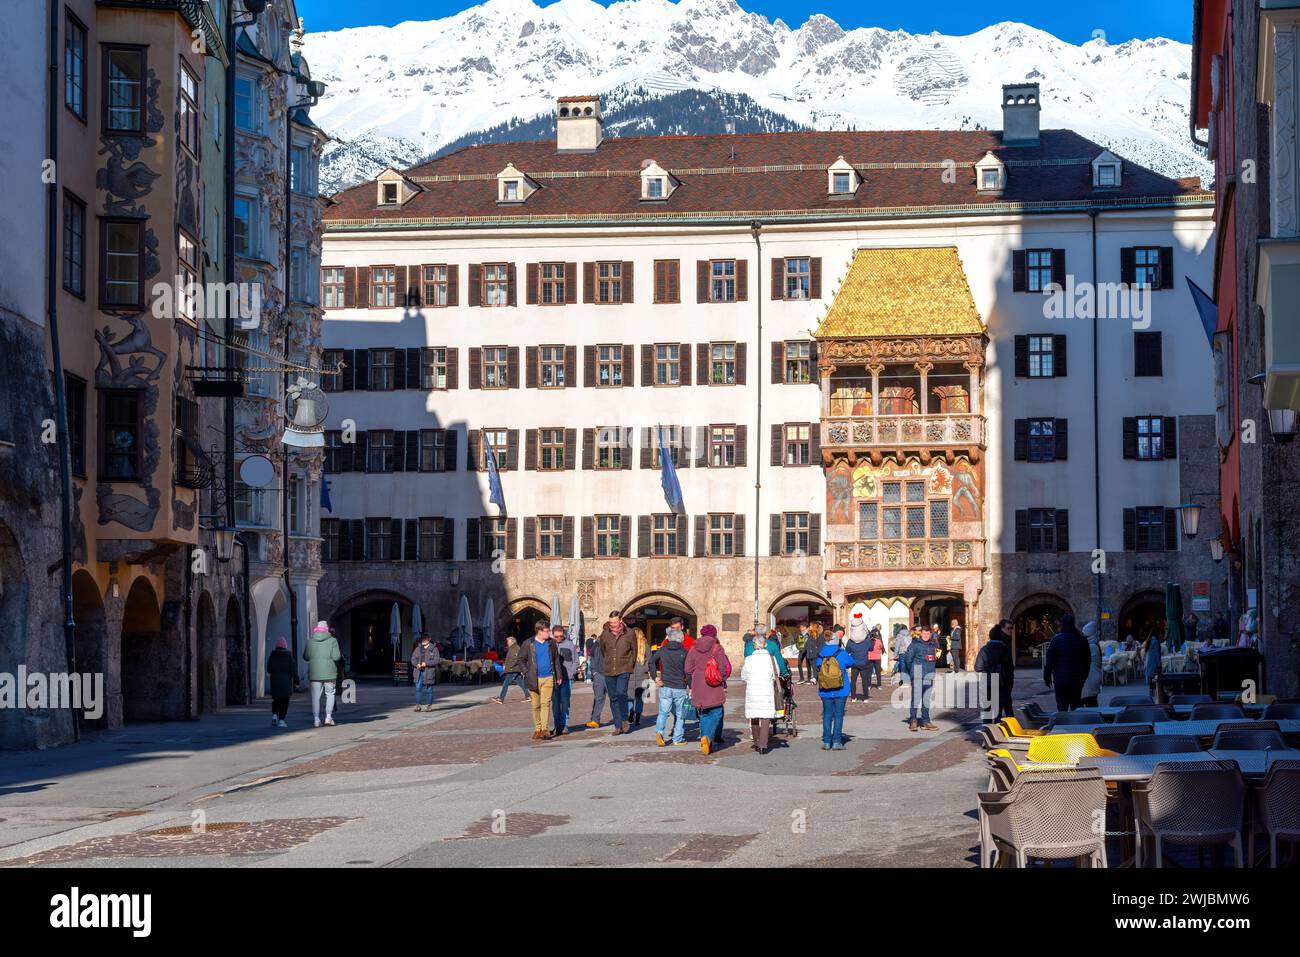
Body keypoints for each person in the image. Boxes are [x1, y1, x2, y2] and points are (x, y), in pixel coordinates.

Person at [684, 624, 731, 755]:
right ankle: (708, 738)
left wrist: (693, 681)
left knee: (704, 712)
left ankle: (704, 738)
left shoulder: (693, 648)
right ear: (714, 634)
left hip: (698, 684)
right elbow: (723, 668)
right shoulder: (717, 648)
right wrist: (721, 678)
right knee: (716, 712)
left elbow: (687, 669)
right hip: (713, 683)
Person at [521, 621, 564, 740]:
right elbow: (521, 660)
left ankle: (545, 729)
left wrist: (559, 675)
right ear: (539, 631)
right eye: (546, 631)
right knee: (535, 705)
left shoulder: (551, 643)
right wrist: (526, 672)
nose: (549, 633)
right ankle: (537, 729)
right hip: (533, 678)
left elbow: (556, 660)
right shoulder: (528, 643)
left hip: (548, 677)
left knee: (545, 704)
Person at [649, 623, 690, 746]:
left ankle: (659, 732)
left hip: (665, 685)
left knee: (663, 712)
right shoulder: (685, 652)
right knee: (680, 714)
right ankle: (677, 738)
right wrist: (690, 685)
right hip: (679, 686)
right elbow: (688, 670)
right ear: (681, 638)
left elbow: (651, 662)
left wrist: (655, 677)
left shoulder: (662, 650)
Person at [815, 626, 854, 749]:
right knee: (838, 715)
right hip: (841, 689)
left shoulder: (821, 654)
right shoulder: (841, 653)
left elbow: (817, 666)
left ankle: (827, 741)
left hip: (825, 689)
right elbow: (852, 662)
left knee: (827, 715)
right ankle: (837, 741)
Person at [598, 610, 637, 734]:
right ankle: (617, 725)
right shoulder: (605, 634)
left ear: (620, 620)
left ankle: (625, 719)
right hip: (609, 669)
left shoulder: (629, 633)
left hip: (624, 668)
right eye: (611, 622)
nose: (613, 625)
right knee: (613, 697)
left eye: (615, 622)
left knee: (621, 693)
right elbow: (603, 650)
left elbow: (634, 651)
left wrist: (630, 664)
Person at [741, 631, 780, 754]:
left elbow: (743, 676)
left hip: (753, 691)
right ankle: (763, 744)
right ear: (764, 645)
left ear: (754, 646)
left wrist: (752, 680)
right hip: (766, 690)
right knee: (765, 717)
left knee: (754, 716)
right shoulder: (771, 659)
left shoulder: (749, 660)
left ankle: (757, 742)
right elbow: (776, 674)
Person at [1042, 613, 1091, 712]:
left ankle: (1062, 725)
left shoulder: (1057, 639)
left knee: (1062, 706)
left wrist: (1047, 677)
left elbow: (1050, 660)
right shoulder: (1082, 640)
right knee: (1076, 705)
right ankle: (1076, 726)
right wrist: (1084, 676)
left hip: (1061, 679)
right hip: (1077, 679)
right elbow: (1087, 660)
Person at [899, 628, 940, 732]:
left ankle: (926, 721)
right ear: (920, 634)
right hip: (917, 674)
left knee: (926, 699)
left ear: (931, 634)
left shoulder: (934, 644)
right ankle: (913, 720)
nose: (926, 635)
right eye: (924, 633)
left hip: (929, 674)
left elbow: (937, 657)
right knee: (916, 698)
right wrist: (912, 671)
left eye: (928, 633)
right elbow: (908, 660)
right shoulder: (915, 644)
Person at [975, 620, 1015, 722]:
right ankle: (998, 734)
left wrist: (988, 668)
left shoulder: (984, 649)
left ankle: (986, 733)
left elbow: (978, 667)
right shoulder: (1005, 649)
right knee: (998, 712)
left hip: (988, 684)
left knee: (987, 711)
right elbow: (1009, 669)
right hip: (1002, 684)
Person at [303, 620, 341, 728]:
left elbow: (305, 657)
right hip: (329, 673)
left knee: (315, 697)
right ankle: (328, 717)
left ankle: (316, 719)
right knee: (330, 694)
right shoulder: (333, 641)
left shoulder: (310, 641)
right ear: (327, 629)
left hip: (315, 673)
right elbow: (336, 657)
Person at [552, 625, 579, 734]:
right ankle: (557, 724)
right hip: (553, 679)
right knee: (555, 703)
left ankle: (565, 724)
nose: (558, 638)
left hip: (566, 678)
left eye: (560, 636)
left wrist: (572, 672)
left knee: (565, 702)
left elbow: (575, 660)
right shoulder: (550, 644)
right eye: (556, 636)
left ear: (564, 634)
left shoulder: (569, 644)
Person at [267, 637, 294, 728]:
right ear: (285, 646)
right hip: (286, 684)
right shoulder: (289, 657)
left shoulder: (272, 656)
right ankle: (281, 720)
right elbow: (293, 670)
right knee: (284, 702)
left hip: (275, 683)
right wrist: (297, 681)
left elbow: (269, 669)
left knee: (276, 700)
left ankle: (274, 714)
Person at [494, 635, 529, 704]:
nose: (507, 643)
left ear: (512, 642)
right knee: (521, 683)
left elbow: (516, 659)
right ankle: (528, 695)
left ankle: (501, 698)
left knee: (506, 683)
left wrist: (509, 666)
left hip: (513, 669)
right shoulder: (512, 648)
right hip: (513, 669)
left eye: (508, 641)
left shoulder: (515, 648)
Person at [410, 633, 440, 712]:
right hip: (419, 671)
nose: (423, 641)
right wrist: (417, 664)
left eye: (425, 639)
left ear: (429, 639)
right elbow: (413, 659)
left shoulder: (434, 649)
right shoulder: (418, 648)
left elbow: (436, 660)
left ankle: (429, 706)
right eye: (422, 639)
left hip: (428, 671)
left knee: (429, 689)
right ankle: (418, 705)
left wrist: (426, 664)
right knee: (418, 688)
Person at [585, 632, 608, 727]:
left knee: (615, 699)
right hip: (599, 674)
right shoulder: (596, 644)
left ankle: (620, 721)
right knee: (598, 698)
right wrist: (594, 672)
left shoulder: (613, 644)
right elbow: (592, 658)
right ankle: (595, 720)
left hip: (611, 674)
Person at [628, 627, 649, 728]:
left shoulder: (628, 645)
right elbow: (650, 659)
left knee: (630, 697)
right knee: (640, 698)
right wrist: (645, 667)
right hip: (642, 675)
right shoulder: (646, 645)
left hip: (630, 674)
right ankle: (638, 716)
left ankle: (631, 712)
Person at [1079, 621, 1103, 708]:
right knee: (1091, 702)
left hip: (1090, 679)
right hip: (1092, 678)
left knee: (1090, 704)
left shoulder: (1091, 646)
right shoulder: (1095, 645)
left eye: (1085, 635)